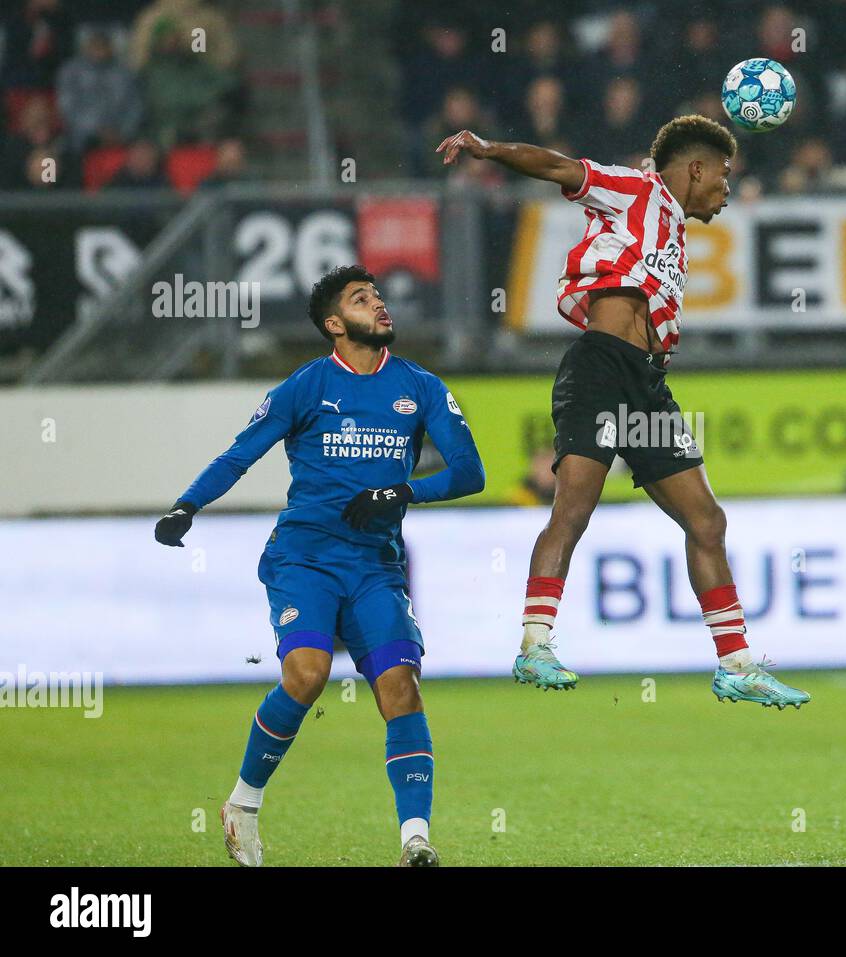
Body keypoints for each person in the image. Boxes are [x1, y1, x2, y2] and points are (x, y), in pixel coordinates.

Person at [436, 116, 811, 710]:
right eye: (723, 175)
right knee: (573, 509)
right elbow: (558, 167)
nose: (727, 189)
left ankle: (736, 664)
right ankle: (535, 642)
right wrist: (488, 149)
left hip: (648, 386)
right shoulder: (635, 189)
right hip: (600, 370)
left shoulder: (674, 233)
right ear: (695, 169)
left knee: (707, 521)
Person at [153, 265, 486, 866]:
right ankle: (244, 803)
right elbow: (240, 454)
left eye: (379, 296)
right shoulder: (306, 387)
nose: (380, 304)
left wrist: (402, 491)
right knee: (307, 673)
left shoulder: (421, 386)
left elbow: (470, 472)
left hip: (375, 565)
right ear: (335, 324)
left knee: (401, 688)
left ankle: (415, 840)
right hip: (304, 558)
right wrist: (187, 505)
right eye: (362, 299)